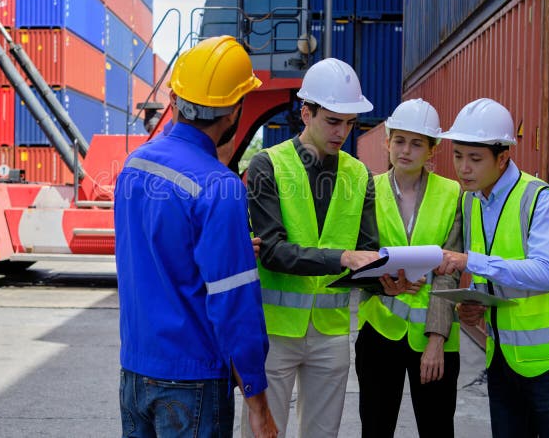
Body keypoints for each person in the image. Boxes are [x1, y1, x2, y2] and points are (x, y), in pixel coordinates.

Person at [114, 35, 278, 438]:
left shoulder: (134, 166)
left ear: (175, 96)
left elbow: (153, 257)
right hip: (192, 381)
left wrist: (233, 250)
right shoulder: (219, 186)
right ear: (235, 110)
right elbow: (233, 303)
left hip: (135, 373)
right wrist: (257, 401)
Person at [244, 58, 395, 438]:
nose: (342, 131)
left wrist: (385, 280)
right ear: (305, 112)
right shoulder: (268, 165)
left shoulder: (358, 174)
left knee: (322, 434)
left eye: (350, 123)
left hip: (330, 332)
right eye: (333, 121)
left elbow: (367, 251)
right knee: (263, 432)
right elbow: (274, 251)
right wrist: (343, 258)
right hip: (275, 331)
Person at [437, 98, 549, 438]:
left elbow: (547, 273)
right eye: (458, 156)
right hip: (502, 357)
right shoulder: (470, 199)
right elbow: (493, 274)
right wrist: (474, 304)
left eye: (475, 159)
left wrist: (469, 261)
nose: (463, 168)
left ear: (502, 156)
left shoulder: (540, 200)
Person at [355, 98, 463, 438]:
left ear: (432, 150)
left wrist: (436, 340)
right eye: (399, 141)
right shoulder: (368, 190)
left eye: (417, 143)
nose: (406, 150)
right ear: (387, 142)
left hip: (434, 337)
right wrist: (383, 279)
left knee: (437, 429)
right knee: (375, 428)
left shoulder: (452, 194)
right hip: (379, 331)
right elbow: (359, 254)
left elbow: (451, 272)